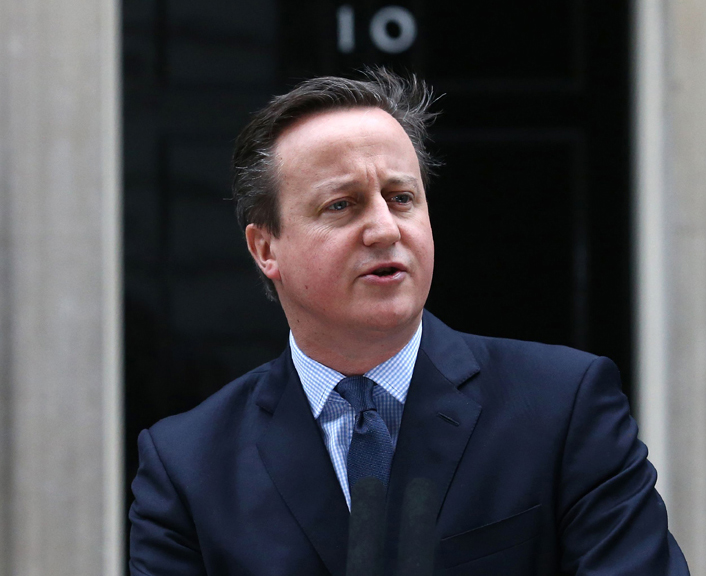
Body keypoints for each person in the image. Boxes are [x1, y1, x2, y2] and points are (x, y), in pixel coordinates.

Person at [129, 68, 689, 575]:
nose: (384, 229)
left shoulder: (564, 407)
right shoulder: (186, 465)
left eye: (400, 198)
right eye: (342, 205)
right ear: (265, 247)